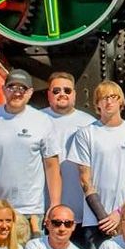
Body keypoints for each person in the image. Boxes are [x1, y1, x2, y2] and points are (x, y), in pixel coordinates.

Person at [64, 81, 125, 249]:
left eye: (113, 97)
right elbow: (85, 179)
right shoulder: (86, 134)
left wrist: (120, 213)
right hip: (97, 222)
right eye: (103, 97)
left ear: (121, 101)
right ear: (97, 104)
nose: (109, 101)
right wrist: (103, 217)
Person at [0, 70, 62, 236]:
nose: (17, 93)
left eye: (22, 88)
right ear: (3, 89)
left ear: (30, 92)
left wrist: (55, 204)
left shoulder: (42, 121)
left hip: (30, 211)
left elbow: (52, 166)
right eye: (12, 87)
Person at [41, 72, 95, 216]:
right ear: (48, 95)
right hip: (44, 207)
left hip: (82, 208)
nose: (62, 94)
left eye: (67, 90)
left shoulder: (89, 123)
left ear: (74, 94)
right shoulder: (36, 120)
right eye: (56, 91)